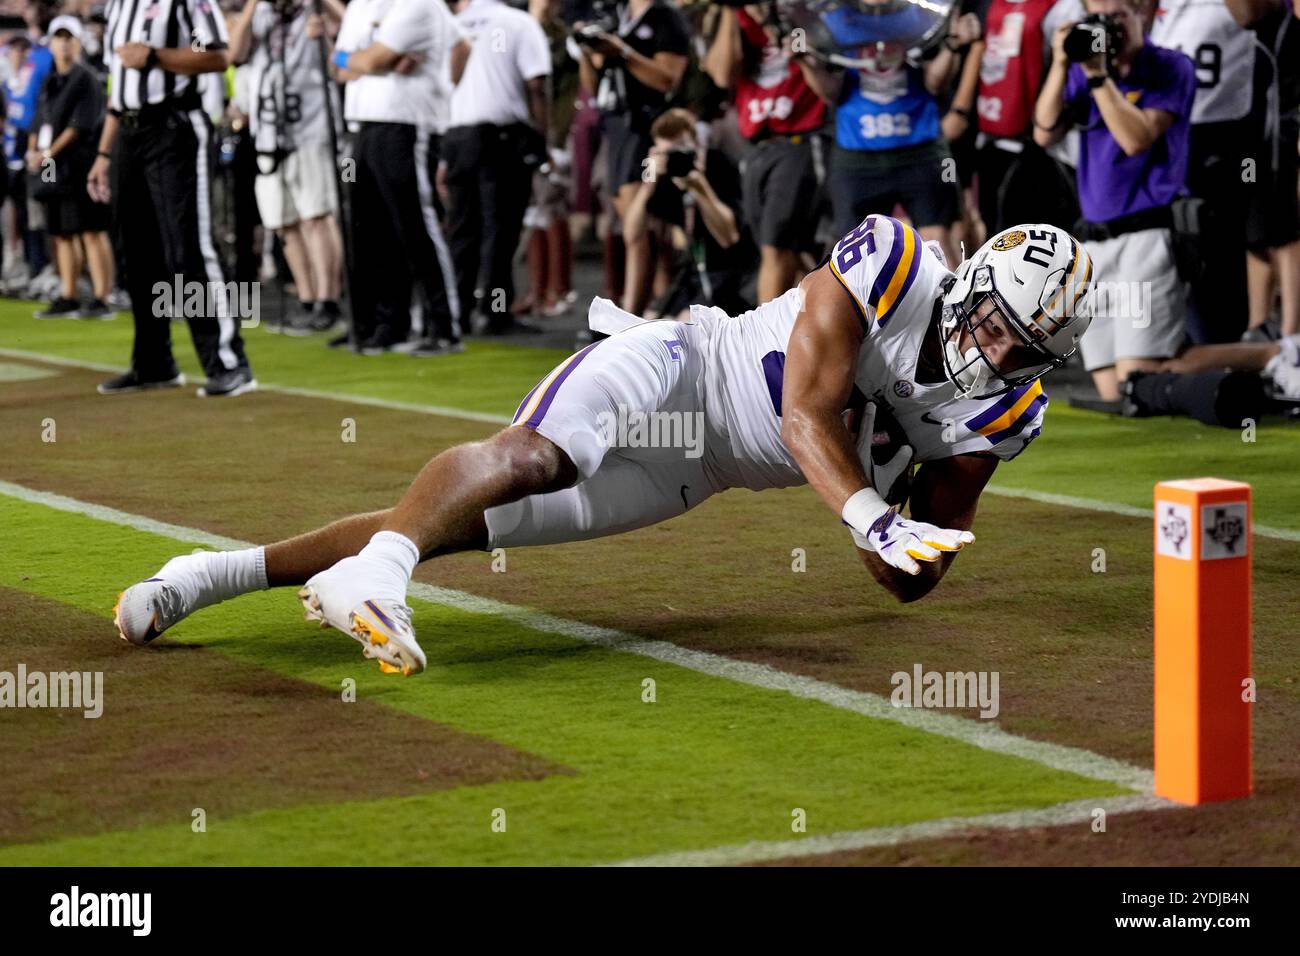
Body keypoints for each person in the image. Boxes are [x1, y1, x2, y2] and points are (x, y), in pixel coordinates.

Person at [118, 217, 1102, 676]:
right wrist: (867, 511)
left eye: (1028, 350)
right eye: (999, 326)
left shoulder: (998, 415)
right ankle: (375, 577)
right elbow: (806, 411)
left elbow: (903, 576)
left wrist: (907, 539)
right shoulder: (890, 262)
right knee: (532, 454)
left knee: (460, 523)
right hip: (681, 364)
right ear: (971, 282)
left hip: (698, 471)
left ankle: (206, 574)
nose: (1001, 354)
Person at [1033, 0, 1300, 406]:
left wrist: (1098, 77)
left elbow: (1136, 138)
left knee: (1141, 376)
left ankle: (1276, 353)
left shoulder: (1170, 66)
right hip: (1095, 239)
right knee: (1115, 388)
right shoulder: (1084, 71)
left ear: (1144, 14)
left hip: (1148, 232)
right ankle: (1268, 356)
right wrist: (1059, 62)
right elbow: (1043, 132)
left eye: (1117, 16)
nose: (1108, 28)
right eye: (1097, 18)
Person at [90, 0, 256, 397]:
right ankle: (154, 362)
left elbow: (217, 55)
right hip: (129, 132)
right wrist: (103, 152)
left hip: (174, 127)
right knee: (136, 251)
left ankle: (229, 362)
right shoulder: (118, 5)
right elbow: (120, 84)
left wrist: (155, 56)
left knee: (189, 247)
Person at [333, 0, 469, 355]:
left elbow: (371, 61)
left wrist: (442, 89)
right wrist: (364, 60)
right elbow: (342, 67)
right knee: (373, 230)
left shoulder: (419, 4)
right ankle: (388, 324)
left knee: (415, 225)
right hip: (364, 122)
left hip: (409, 121)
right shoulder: (360, 7)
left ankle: (444, 326)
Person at [805, 9, 981, 267]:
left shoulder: (924, 13)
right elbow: (831, 93)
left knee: (939, 241)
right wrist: (805, 62)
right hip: (857, 155)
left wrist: (952, 45)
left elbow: (935, 84)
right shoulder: (834, 18)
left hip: (922, 149)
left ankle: (955, 307)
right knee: (855, 256)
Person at [229, 0, 346, 335]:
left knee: (316, 217)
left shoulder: (314, 11)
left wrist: (322, 21)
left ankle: (328, 300)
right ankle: (308, 300)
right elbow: (234, 54)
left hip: (310, 130)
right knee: (284, 222)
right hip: (267, 135)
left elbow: (345, 45)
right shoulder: (261, 15)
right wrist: (251, 9)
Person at [703, 3, 828, 305]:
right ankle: (832, 315)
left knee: (776, 247)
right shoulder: (736, 17)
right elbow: (721, 75)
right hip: (757, 146)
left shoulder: (803, 10)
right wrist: (731, 13)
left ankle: (762, 343)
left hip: (800, 138)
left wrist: (770, 19)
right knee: (782, 250)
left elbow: (815, 49)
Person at [442, 0, 552, 335]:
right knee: (499, 233)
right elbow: (536, 85)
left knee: (462, 231)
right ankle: (495, 312)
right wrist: (543, 142)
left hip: (457, 135)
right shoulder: (517, 22)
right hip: (501, 140)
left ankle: (457, 313)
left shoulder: (453, 24)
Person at [575, 0, 690, 316]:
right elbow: (594, 86)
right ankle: (659, 309)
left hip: (646, 127)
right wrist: (586, 51)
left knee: (640, 224)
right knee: (634, 220)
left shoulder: (666, 17)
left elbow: (668, 79)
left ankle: (633, 316)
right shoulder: (615, 15)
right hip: (616, 127)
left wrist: (623, 52)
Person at [622, 107, 753, 317]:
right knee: (651, 324)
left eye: (680, 152)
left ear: (697, 146)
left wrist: (699, 188)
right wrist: (648, 184)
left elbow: (729, 237)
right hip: (691, 273)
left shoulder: (718, 165)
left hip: (731, 274)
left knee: (685, 323)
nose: (676, 161)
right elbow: (632, 235)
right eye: (668, 153)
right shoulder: (662, 178)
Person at [27, 15, 114, 319]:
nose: (64, 43)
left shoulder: (85, 77)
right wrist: (33, 151)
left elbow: (80, 125)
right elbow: (39, 121)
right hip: (53, 168)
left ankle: (103, 297)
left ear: (78, 42)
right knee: (61, 231)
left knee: (91, 229)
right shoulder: (50, 81)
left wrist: (45, 151)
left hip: (81, 164)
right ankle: (69, 294)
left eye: (69, 37)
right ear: (50, 43)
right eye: (59, 37)